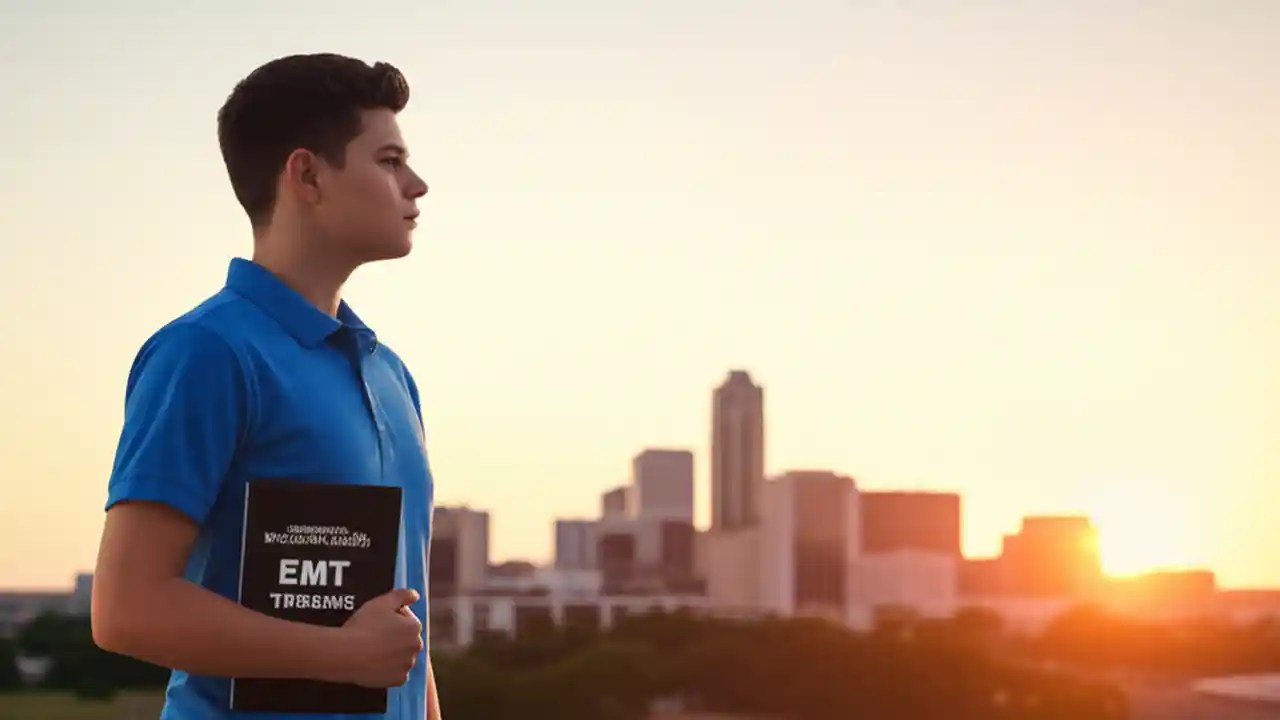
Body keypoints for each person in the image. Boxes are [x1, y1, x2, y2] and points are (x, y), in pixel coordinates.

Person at [90, 53, 439, 719]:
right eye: (390, 160)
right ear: (307, 174)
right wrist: (342, 655)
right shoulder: (206, 352)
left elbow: (401, 632)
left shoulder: (391, 374)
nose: (416, 184)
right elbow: (126, 609)